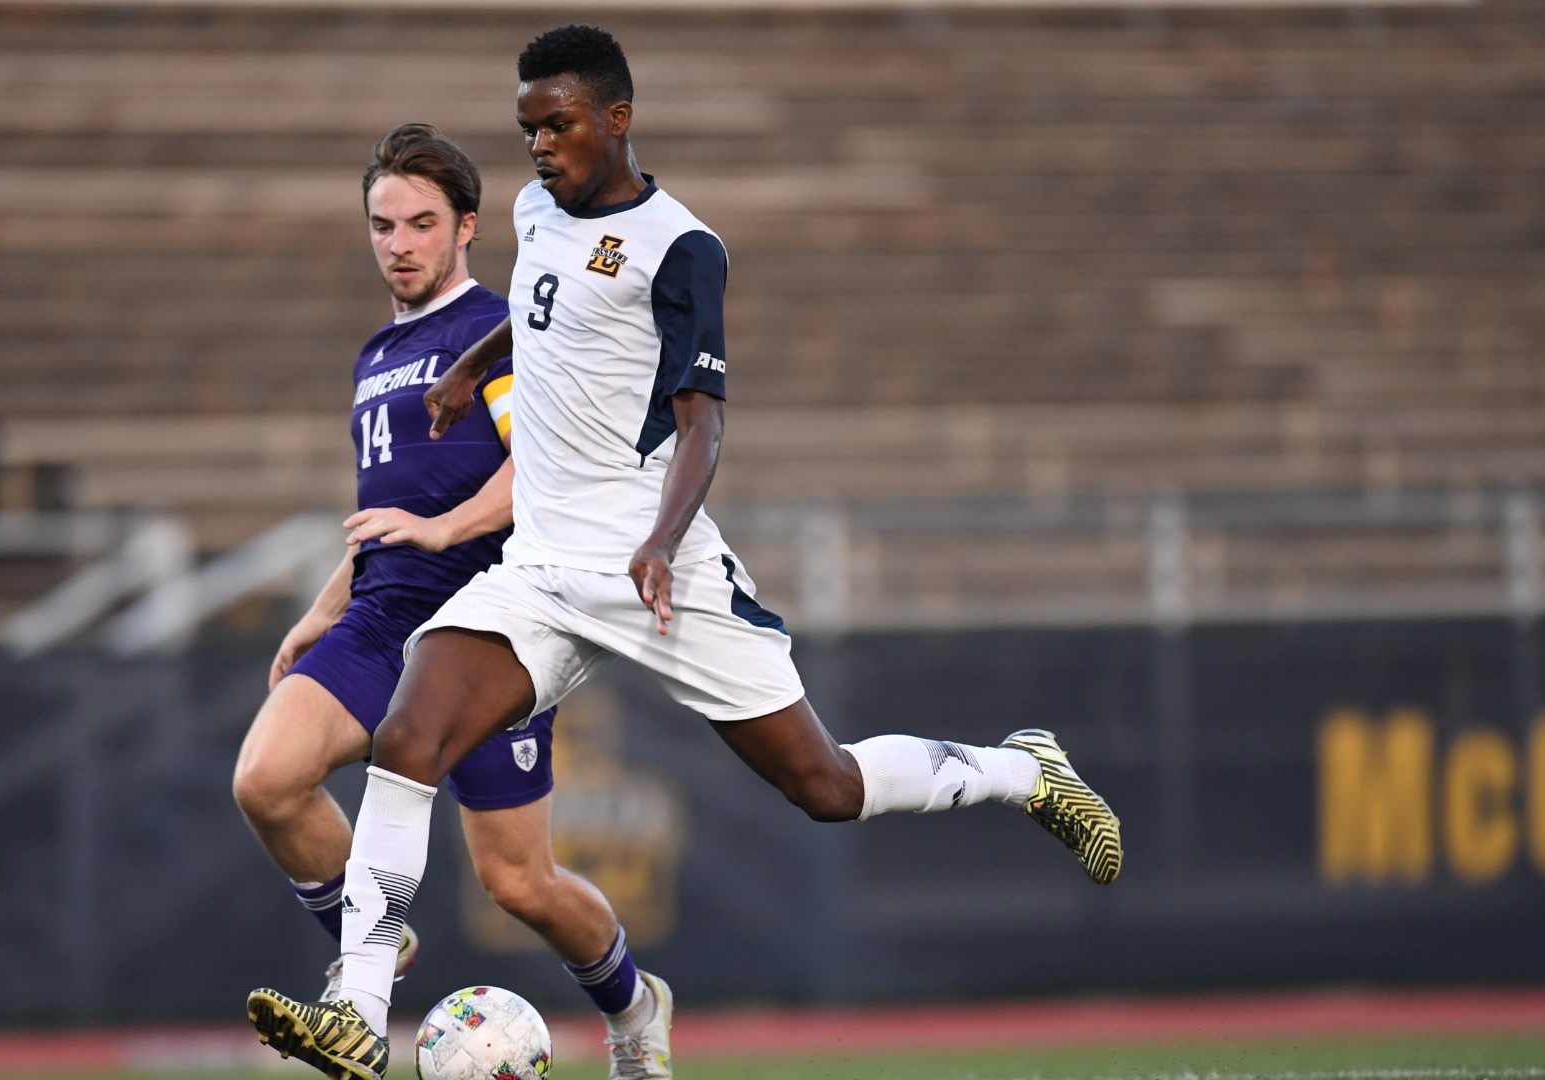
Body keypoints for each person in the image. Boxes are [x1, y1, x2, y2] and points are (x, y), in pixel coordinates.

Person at [247, 27, 1123, 1080]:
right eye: (529, 127)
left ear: (616, 118)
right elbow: (540, 318)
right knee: (408, 737)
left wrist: (663, 541)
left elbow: (704, 421)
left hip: (654, 569)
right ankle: (358, 1010)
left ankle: (1022, 768)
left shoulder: (682, 246)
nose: (541, 146)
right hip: (539, 574)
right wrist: (460, 372)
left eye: (559, 124)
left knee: (825, 785)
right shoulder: (535, 212)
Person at [234, 122, 670, 1077]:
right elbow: (388, 513)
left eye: (420, 223)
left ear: (465, 226)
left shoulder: (501, 333)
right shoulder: (369, 359)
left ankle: (636, 1008)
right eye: (383, 224)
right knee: (266, 780)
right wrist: (319, 609)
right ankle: (373, 946)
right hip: (380, 620)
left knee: (518, 879)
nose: (399, 242)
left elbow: (537, 472)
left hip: (485, 634)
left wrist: (442, 531)